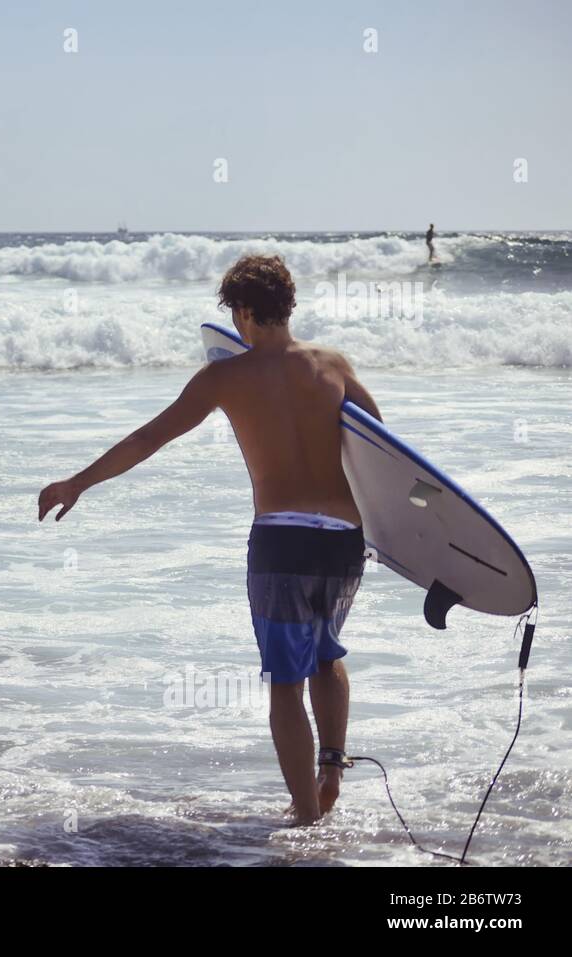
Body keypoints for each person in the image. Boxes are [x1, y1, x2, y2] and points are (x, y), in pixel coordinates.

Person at [37, 255, 382, 826]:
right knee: (327, 656)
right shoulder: (333, 364)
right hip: (343, 542)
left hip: (282, 545)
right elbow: (382, 450)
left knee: (285, 682)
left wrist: (79, 482)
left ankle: (305, 818)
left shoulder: (225, 378)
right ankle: (330, 769)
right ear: (288, 306)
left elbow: (150, 437)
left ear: (243, 311)